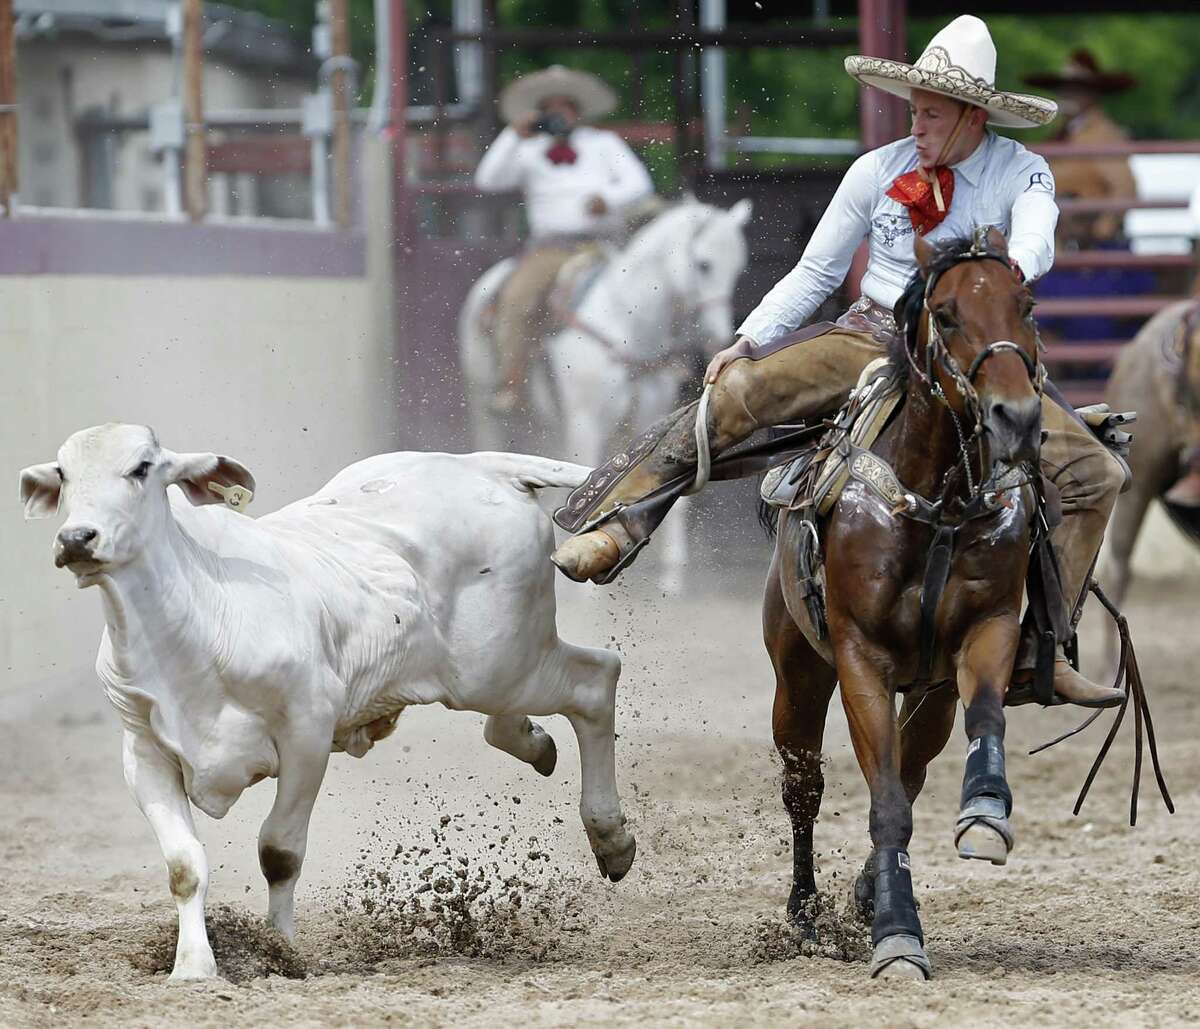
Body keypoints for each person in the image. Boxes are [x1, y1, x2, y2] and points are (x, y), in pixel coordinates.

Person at [551, 15, 1126, 709]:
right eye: (914, 110)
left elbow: (1037, 242)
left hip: (972, 348)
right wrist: (749, 337)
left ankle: (1042, 648)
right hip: (873, 335)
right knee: (737, 389)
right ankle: (621, 524)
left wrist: (997, 274)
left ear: (972, 116)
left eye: (931, 114)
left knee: (1097, 473)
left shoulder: (1022, 170)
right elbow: (815, 271)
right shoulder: (877, 170)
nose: (916, 125)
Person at [475, 66, 655, 414]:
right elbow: (488, 180)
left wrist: (608, 199)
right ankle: (511, 383)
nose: (559, 114)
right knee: (516, 300)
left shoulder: (603, 143)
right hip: (551, 250)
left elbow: (639, 185)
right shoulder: (526, 148)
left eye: (565, 106)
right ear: (539, 114)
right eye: (550, 108)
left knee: (654, 289)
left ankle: (661, 364)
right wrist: (513, 135)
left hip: (605, 247)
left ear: (578, 111)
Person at [1024, 50, 1138, 248]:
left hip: (1087, 241)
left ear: (1092, 93)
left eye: (1076, 89)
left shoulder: (1103, 135)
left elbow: (1125, 188)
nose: (1067, 95)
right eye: (1064, 89)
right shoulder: (1062, 132)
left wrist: (1102, 230)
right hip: (1059, 235)